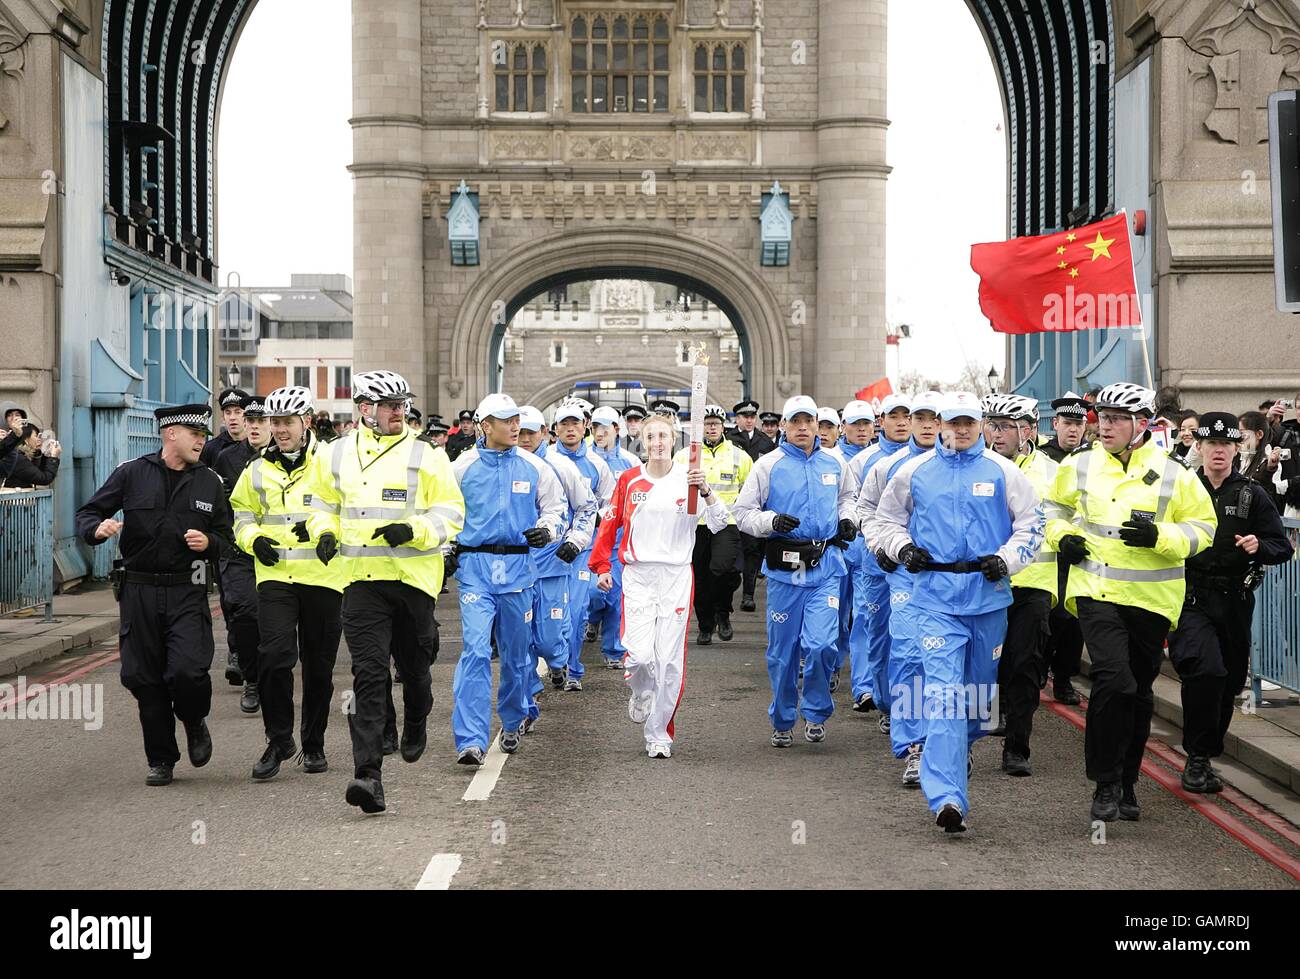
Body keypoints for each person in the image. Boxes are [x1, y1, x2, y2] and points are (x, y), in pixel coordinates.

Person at [1044, 381, 1217, 823]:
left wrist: (1162, 536)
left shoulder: (1176, 474)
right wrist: (1063, 537)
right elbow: (1052, 509)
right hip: (1095, 594)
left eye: (1118, 419)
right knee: (1113, 681)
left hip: (1151, 600)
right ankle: (1103, 783)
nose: (1106, 426)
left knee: (1139, 693)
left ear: (1142, 425)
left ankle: (1126, 782)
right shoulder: (1080, 466)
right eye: (1102, 418)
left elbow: (1204, 529)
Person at [874, 392, 1043, 833]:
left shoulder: (1005, 472)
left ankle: (960, 748)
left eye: (970, 422)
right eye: (954, 423)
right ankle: (947, 798)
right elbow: (885, 520)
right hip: (934, 599)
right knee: (945, 697)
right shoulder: (915, 472)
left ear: (981, 425)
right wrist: (901, 547)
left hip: (988, 599)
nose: (962, 430)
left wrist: (1006, 559)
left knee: (978, 701)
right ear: (941, 425)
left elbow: (1032, 523)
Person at [308, 370, 464, 813]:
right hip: (359, 580)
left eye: (402, 404)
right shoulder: (334, 454)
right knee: (369, 675)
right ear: (365, 410)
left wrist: (411, 529)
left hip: (413, 581)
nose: (400, 411)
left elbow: (452, 514)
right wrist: (322, 531)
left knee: (415, 670)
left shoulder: (428, 455)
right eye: (390, 405)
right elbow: (321, 505)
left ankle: (416, 718)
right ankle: (368, 776)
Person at [75, 404, 233, 786]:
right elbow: (89, 512)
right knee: (143, 677)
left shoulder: (209, 481)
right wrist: (96, 529)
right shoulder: (131, 473)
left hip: (186, 589)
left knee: (187, 671)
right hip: (139, 591)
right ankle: (161, 758)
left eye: (204, 435)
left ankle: (194, 719)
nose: (202, 440)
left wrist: (209, 541)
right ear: (170, 434)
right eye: (194, 434)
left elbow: (228, 539)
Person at [590, 414, 730, 758]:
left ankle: (659, 735)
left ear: (674, 440)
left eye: (663, 436)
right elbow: (609, 526)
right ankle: (639, 692)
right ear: (643, 441)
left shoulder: (690, 479)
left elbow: (719, 522)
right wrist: (600, 565)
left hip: (676, 576)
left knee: (668, 662)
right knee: (639, 657)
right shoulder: (629, 480)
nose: (656, 442)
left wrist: (707, 490)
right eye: (650, 436)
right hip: (638, 575)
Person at [1168, 412, 1293, 793]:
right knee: (1204, 671)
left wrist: (1259, 547)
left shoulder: (1251, 494)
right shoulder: (1183, 490)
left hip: (1235, 600)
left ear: (1236, 449)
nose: (1218, 451)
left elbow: (1281, 546)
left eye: (1226, 444)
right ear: (1200, 447)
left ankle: (1205, 753)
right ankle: (1197, 757)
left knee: (1228, 682)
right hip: (1191, 598)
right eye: (1211, 444)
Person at [231, 386, 347, 779]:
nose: (279, 430)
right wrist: (254, 540)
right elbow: (241, 514)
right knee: (274, 657)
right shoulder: (257, 469)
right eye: (273, 422)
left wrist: (332, 533)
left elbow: (348, 507)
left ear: (306, 422)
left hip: (323, 578)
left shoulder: (333, 462)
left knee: (318, 668)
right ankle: (279, 739)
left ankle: (313, 745)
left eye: (286, 422)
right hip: (276, 576)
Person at [733, 396, 857, 748]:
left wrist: (848, 520)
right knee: (783, 653)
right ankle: (783, 717)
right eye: (795, 421)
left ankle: (816, 711)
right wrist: (771, 521)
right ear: (784, 426)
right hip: (787, 570)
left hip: (826, 566)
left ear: (818, 425)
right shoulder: (768, 465)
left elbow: (849, 498)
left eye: (809, 421)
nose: (803, 427)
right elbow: (743, 513)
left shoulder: (835, 462)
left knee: (822, 646)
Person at [449, 395, 566, 764]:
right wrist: (447, 548)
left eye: (517, 419)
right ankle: (470, 740)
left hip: (519, 573)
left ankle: (514, 719)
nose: (516, 427)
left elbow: (556, 509)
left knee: (517, 657)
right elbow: (445, 511)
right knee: (476, 651)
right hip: (476, 572)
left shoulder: (535, 466)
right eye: (506, 421)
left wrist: (547, 531)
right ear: (485, 426)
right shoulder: (462, 467)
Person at [857, 390, 941, 783]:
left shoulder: (978, 469)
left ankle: (957, 742)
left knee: (949, 666)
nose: (923, 424)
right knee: (907, 653)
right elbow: (866, 511)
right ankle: (915, 746)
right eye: (916, 417)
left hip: (957, 581)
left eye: (930, 417)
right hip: (906, 575)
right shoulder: (888, 467)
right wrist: (881, 546)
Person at [981, 394, 1058, 776]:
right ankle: (971, 737)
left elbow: (1062, 520)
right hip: (984, 584)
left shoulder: (1050, 471)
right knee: (985, 665)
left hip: (1032, 584)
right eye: (991, 424)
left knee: (1025, 665)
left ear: (1028, 430)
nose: (996, 433)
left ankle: (1017, 749)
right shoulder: (974, 466)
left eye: (1006, 426)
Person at [516, 405, 596, 721]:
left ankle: (558, 659)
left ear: (544, 434)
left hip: (552, 563)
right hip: (514, 567)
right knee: (518, 639)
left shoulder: (561, 466)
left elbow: (588, 507)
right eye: (518, 431)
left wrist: (575, 541)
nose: (523, 438)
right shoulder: (503, 465)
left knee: (549, 640)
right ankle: (527, 695)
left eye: (530, 432)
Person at [845, 393, 914, 721]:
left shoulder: (931, 459)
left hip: (913, 564)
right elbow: (857, 508)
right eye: (894, 416)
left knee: (907, 634)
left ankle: (896, 704)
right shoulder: (865, 461)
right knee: (871, 625)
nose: (901, 422)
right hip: (873, 560)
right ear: (880, 422)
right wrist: (877, 544)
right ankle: (866, 688)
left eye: (907, 415)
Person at [673, 404, 752, 646]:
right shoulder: (685, 456)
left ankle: (723, 612)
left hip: (726, 523)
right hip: (696, 524)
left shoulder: (739, 456)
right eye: (707, 424)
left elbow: (750, 491)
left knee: (725, 571)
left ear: (723, 426)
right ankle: (705, 624)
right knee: (701, 576)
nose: (711, 427)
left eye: (715, 423)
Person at [552, 400, 616, 690]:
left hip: (583, 549)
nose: (570, 429)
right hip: (548, 549)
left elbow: (610, 504)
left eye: (575, 423)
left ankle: (574, 671)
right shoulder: (545, 461)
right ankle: (555, 660)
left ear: (585, 427)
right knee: (552, 614)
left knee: (577, 609)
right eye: (564, 424)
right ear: (554, 429)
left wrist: (595, 522)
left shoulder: (597, 465)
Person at [215, 396, 271, 713]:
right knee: (245, 615)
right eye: (250, 421)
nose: (253, 426)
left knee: (273, 623)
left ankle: (271, 677)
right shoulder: (226, 458)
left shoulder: (284, 458)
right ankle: (252, 679)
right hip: (238, 551)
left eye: (260, 421)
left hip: (277, 552)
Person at [823, 400, 875, 690]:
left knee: (864, 614)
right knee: (837, 615)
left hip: (869, 551)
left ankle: (864, 685)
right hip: (840, 549)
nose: (860, 429)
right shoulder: (831, 458)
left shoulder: (881, 457)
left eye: (865, 423)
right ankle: (831, 664)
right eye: (855, 424)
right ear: (844, 427)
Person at [588, 406, 641, 665]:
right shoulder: (584, 458)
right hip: (590, 539)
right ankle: (592, 617)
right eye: (595, 427)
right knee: (594, 594)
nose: (599, 433)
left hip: (619, 539)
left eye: (604, 428)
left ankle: (613, 651)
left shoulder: (631, 462)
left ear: (616, 429)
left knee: (616, 595)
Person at [200, 388, 248, 468]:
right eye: (228, 413)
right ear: (223, 417)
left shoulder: (256, 445)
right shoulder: (210, 449)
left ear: (246, 415)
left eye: (237, 412)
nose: (232, 417)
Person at [1, 424, 60, 488]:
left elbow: (38, 470)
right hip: (17, 496)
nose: (39, 440)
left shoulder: (23, 455)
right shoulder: (19, 459)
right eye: (36, 436)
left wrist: (46, 455)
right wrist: (53, 457)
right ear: (26, 440)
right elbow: (44, 478)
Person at [1040, 392, 1089, 462]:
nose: (1073, 429)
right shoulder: (1042, 455)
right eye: (1067, 423)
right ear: (1055, 424)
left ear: (1084, 426)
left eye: (1079, 424)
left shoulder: (1093, 454)